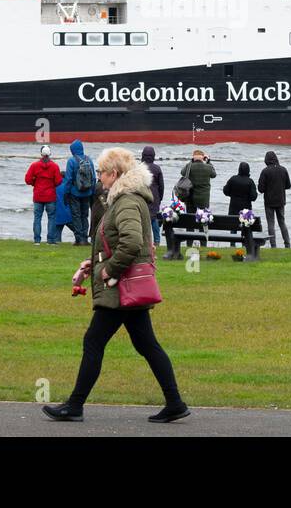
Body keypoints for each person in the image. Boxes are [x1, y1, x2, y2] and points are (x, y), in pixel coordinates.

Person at [43, 146, 189, 423]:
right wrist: (93, 264)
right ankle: (175, 402)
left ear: (113, 173)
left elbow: (132, 242)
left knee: (94, 341)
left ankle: (74, 406)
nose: (99, 177)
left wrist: (109, 270)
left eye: (100, 173)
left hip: (121, 286)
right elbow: (116, 242)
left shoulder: (126, 202)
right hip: (126, 284)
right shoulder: (125, 200)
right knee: (146, 344)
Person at [24, 145, 63, 244]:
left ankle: (37, 240)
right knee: (51, 218)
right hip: (50, 196)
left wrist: (34, 182)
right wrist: (51, 184)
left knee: (37, 218)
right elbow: (58, 181)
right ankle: (50, 240)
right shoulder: (55, 166)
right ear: (50, 154)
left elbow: (27, 180)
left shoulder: (34, 166)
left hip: (38, 195)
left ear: (41, 154)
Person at [62, 140, 96, 246]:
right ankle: (85, 239)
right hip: (87, 193)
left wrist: (65, 194)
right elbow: (94, 178)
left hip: (74, 193)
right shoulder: (89, 159)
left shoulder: (71, 161)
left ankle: (78, 239)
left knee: (76, 216)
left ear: (72, 150)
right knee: (84, 216)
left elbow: (68, 179)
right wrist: (92, 192)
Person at [257, 151, 291, 248]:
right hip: (281, 200)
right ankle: (287, 244)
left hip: (269, 201)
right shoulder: (283, 169)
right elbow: (288, 185)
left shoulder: (265, 171)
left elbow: (261, 189)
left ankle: (273, 245)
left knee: (270, 223)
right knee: (282, 222)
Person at [141, 146, 164, 245]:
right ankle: (157, 241)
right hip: (155, 197)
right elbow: (161, 186)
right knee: (154, 219)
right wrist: (160, 198)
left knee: (142, 219)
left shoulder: (139, 167)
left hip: (142, 196)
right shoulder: (157, 168)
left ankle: (143, 240)